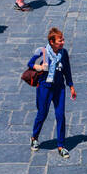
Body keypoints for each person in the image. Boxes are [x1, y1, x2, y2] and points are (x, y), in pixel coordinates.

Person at [28, 27, 76, 158]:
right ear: (52, 42)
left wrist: (71, 86)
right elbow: (30, 63)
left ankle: (61, 145)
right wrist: (39, 67)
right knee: (42, 113)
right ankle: (34, 137)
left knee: (60, 115)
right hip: (44, 87)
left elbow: (67, 70)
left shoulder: (63, 53)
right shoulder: (42, 52)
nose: (63, 42)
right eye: (60, 40)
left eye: (63, 40)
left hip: (59, 88)